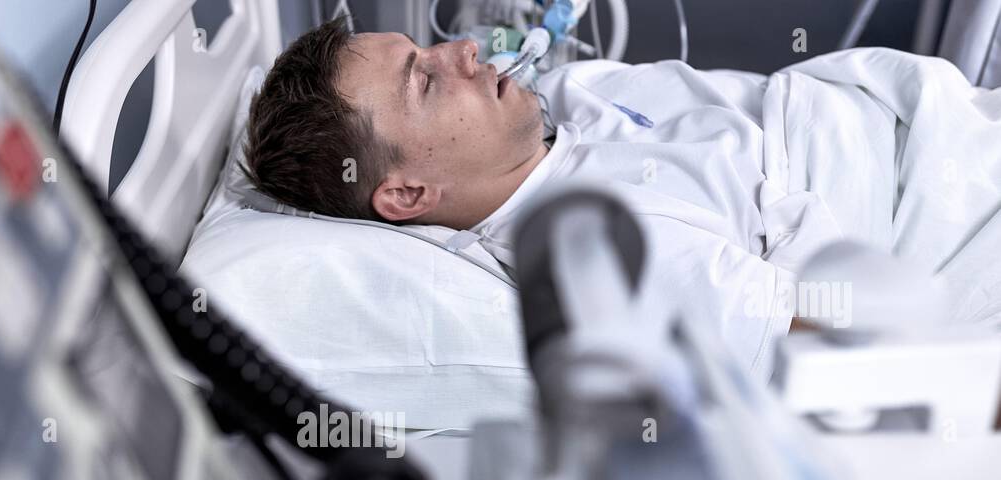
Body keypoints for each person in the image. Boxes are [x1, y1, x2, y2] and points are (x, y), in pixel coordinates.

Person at [242, 18, 1001, 377]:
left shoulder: (551, 122)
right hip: (937, 185)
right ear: (406, 193)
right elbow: (838, 343)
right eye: (426, 81)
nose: (463, 52)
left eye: (427, 45)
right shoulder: (604, 245)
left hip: (904, 118)